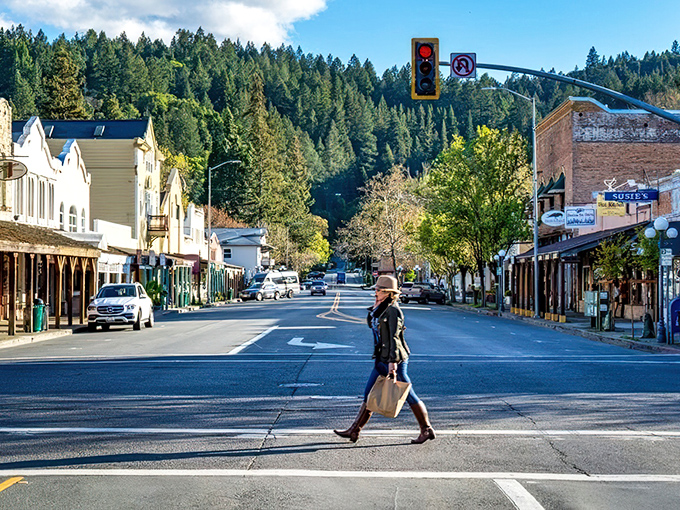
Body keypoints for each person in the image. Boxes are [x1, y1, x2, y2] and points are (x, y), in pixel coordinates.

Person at [333, 275, 436, 444]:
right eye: (376, 289)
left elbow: (394, 338)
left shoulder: (393, 310)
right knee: (369, 394)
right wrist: (374, 308)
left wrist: (392, 365)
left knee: (408, 394)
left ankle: (426, 429)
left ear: (388, 293)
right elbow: (373, 326)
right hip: (382, 358)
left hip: (395, 360)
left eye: (379, 290)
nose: (376, 292)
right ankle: (354, 430)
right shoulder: (381, 308)